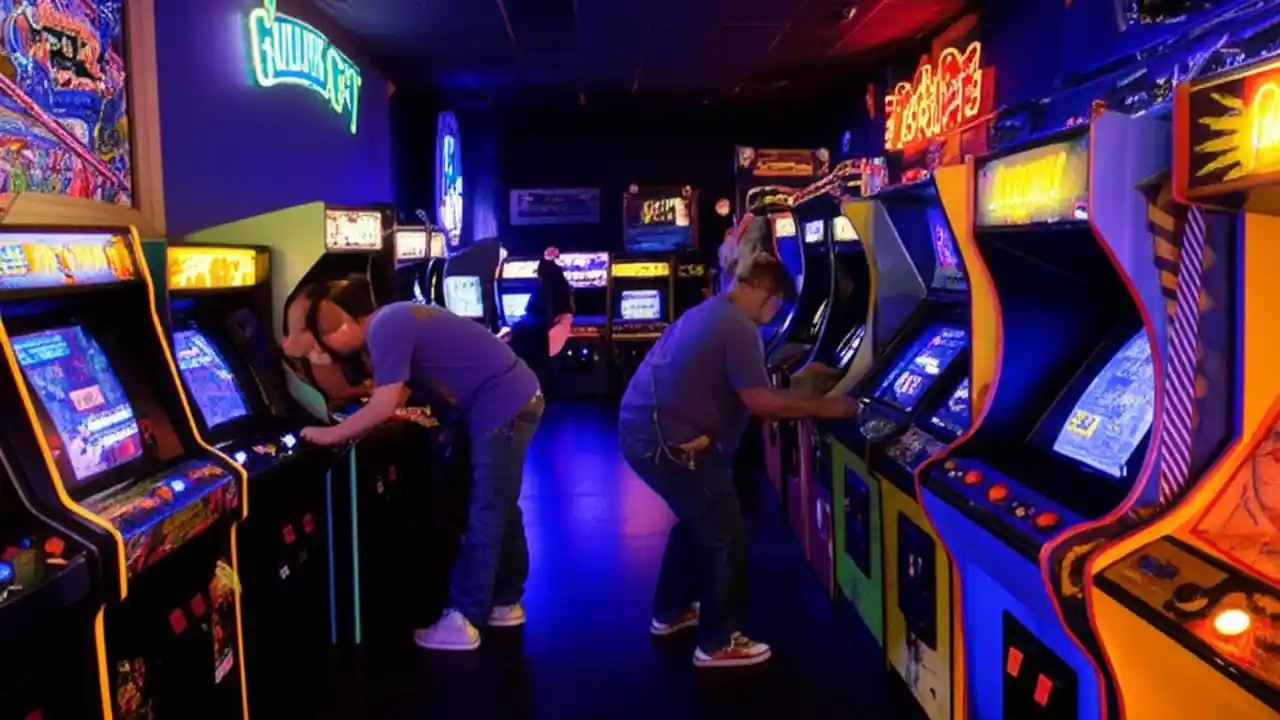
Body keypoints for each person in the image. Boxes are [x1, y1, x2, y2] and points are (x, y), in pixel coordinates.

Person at [618, 252, 858, 669]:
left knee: (699, 519)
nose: (774, 309)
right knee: (724, 531)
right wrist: (826, 406)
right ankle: (719, 642)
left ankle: (670, 612)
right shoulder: (737, 327)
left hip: (643, 431)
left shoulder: (711, 312)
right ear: (749, 288)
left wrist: (805, 392)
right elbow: (761, 403)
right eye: (772, 298)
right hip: (670, 442)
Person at [286, 275, 544, 652]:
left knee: (486, 511)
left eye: (324, 336)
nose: (323, 347)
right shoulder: (397, 316)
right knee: (500, 507)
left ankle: (464, 618)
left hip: (501, 405)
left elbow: (384, 404)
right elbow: (395, 390)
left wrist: (331, 434)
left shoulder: (387, 326)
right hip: (513, 397)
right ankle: (505, 600)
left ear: (343, 323)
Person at [507, 247, 574, 397]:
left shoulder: (544, 293)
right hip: (548, 343)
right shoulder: (563, 293)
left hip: (538, 342)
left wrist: (513, 329)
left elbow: (532, 318)